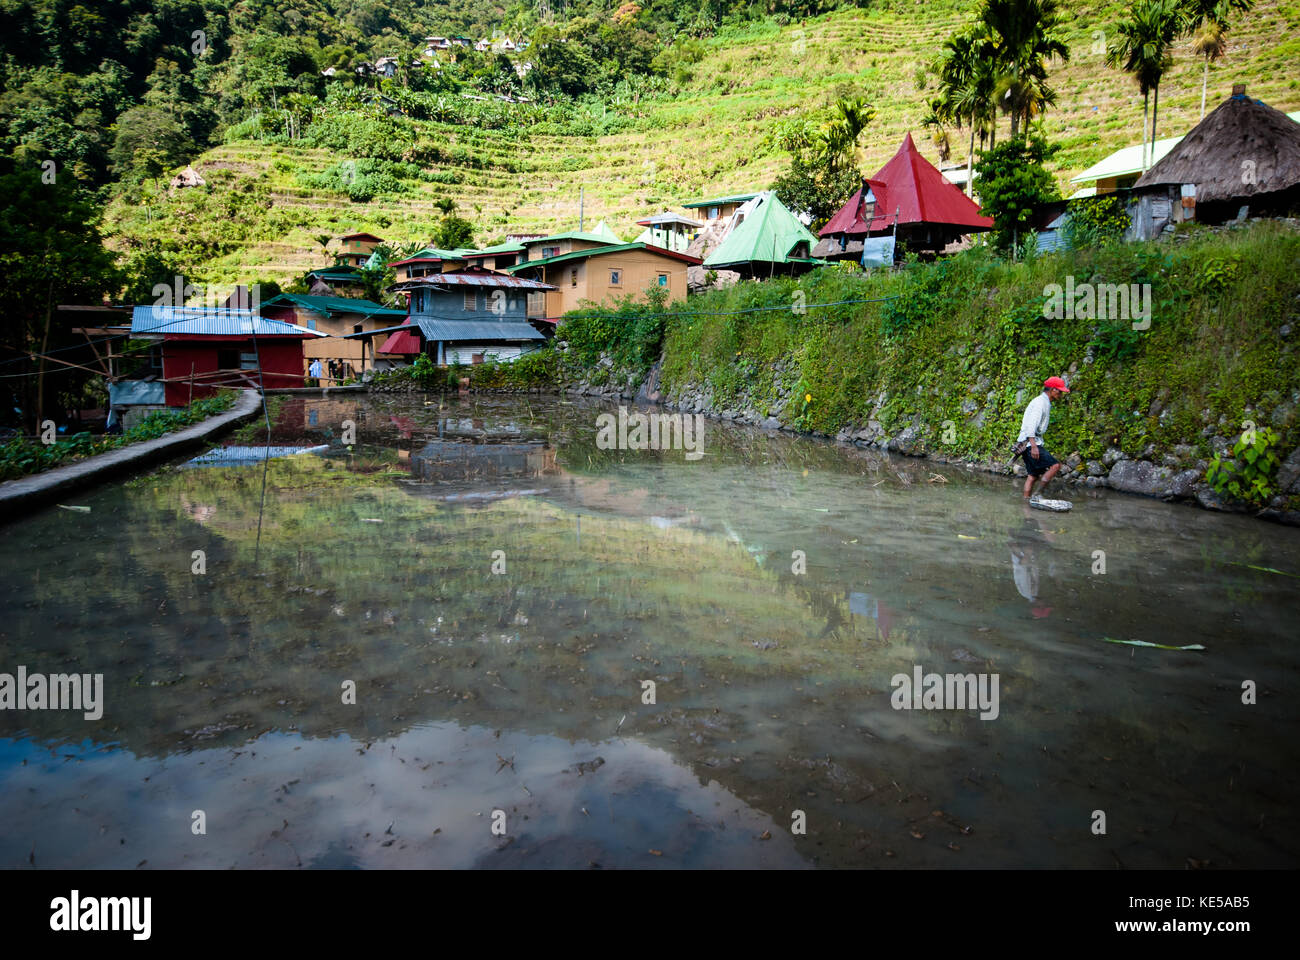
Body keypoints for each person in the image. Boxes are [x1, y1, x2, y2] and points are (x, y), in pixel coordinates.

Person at [1015, 376, 1070, 501]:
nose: (1061, 395)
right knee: (1055, 466)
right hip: (1030, 443)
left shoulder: (1044, 402)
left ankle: (1026, 503)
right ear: (1052, 390)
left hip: (1027, 442)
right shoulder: (1040, 403)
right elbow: (1031, 425)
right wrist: (1034, 446)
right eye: (1060, 391)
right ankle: (1037, 494)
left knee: (1033, 476)